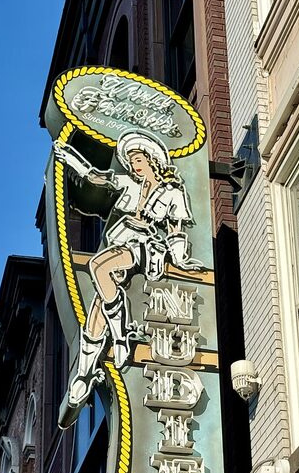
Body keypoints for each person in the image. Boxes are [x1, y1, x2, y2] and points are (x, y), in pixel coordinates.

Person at [53, 130, 203, 410]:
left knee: (98, 266)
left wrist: (181, 260)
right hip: (119, 242)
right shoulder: (129, 183)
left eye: (138, 159)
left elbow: (176, 230)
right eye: (131, 160)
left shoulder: (172, 192)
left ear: (152, 160)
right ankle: (85, 374)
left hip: (144, 248)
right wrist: (71, 159)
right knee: (97, 307)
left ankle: (120, 334)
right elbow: (97, 176)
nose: (134, 165)